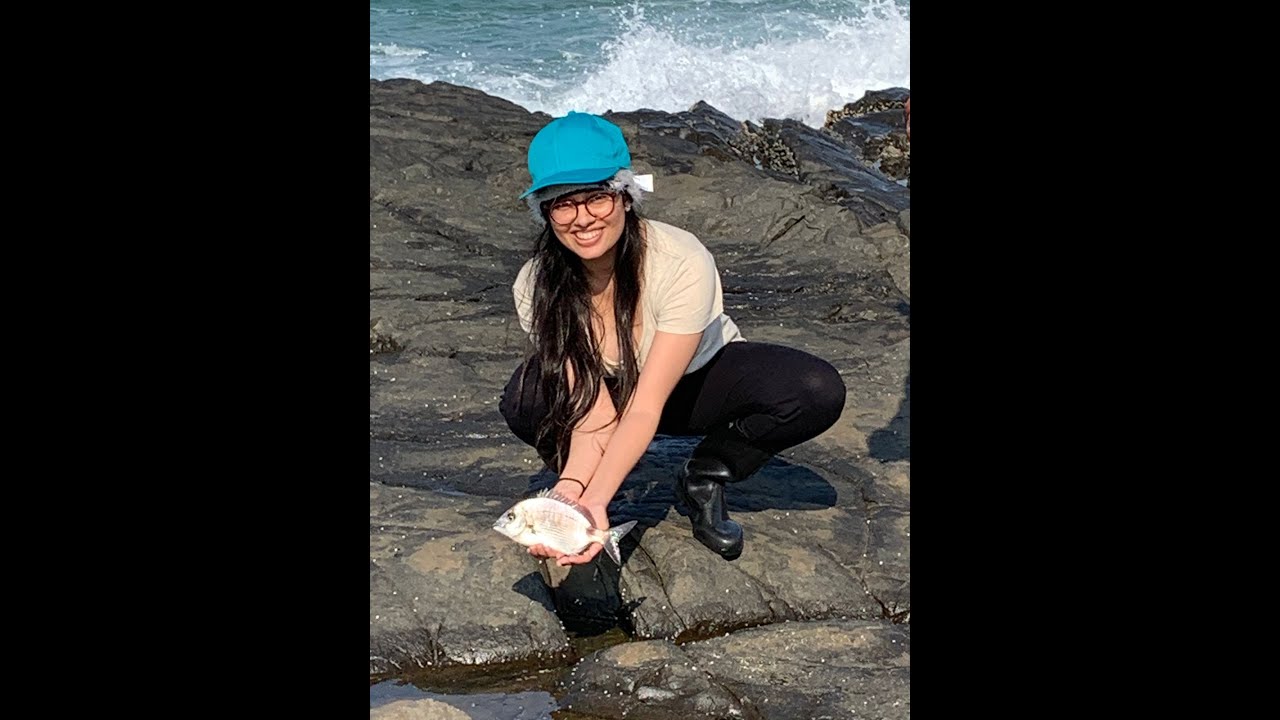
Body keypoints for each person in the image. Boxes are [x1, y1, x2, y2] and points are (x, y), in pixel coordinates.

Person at [499, 111, 845, 564]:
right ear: (545, 212)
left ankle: (704, 472)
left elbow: (645, 406)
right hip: (612, 392)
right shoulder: (535, 284)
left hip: (694, 386)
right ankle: (598, 485)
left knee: (813, 390)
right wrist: (573, 496)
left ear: (625, 196)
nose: (582, 218)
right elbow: (591, 415)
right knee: (525, 398)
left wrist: (597, 497)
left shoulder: (679, 259)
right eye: (563, 203)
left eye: (596, 198)